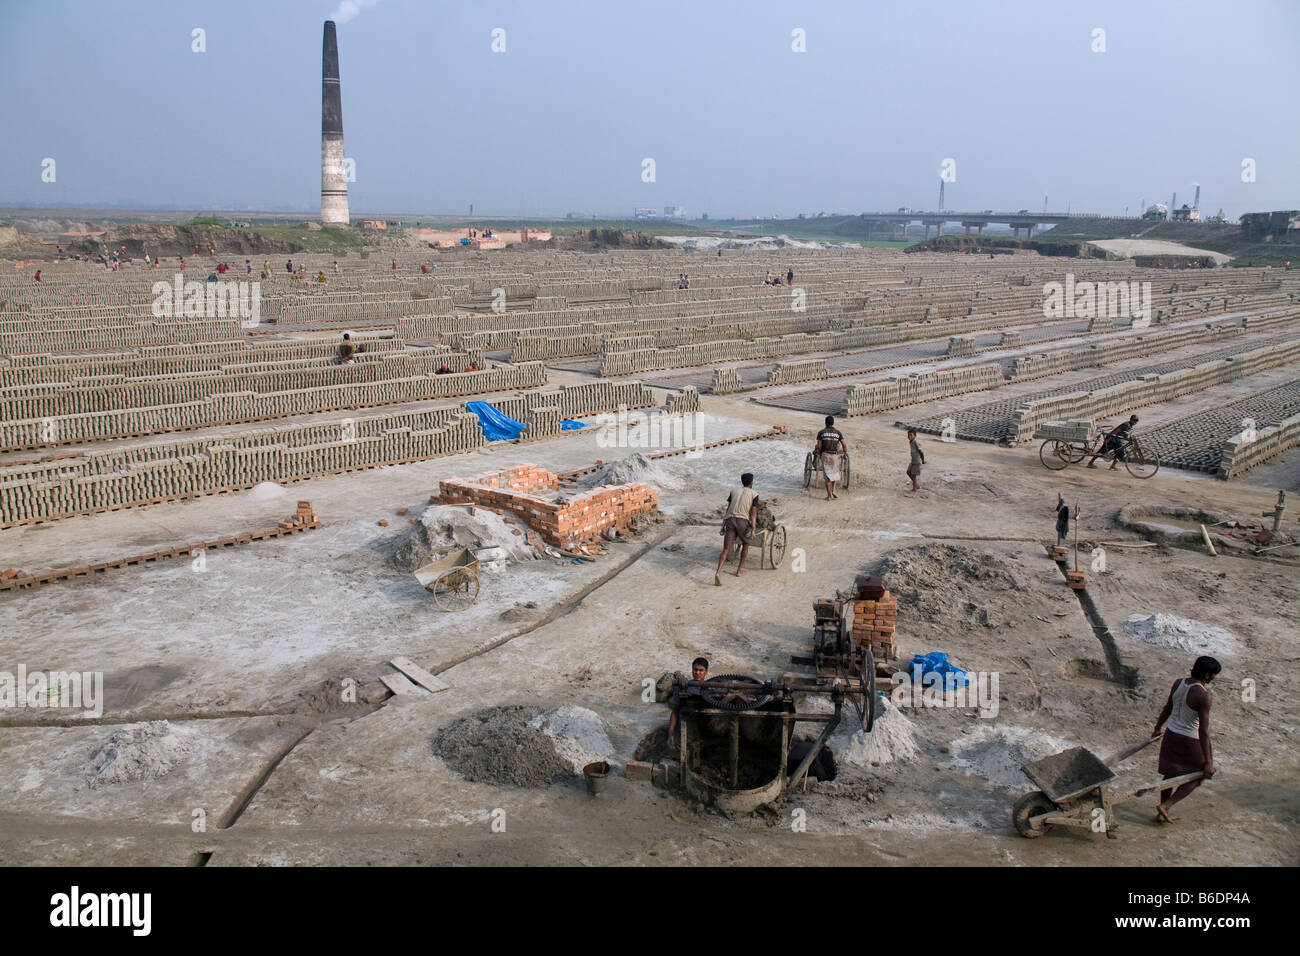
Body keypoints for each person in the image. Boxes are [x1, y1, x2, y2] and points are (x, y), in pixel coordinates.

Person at [1152, 656, 1220, 823]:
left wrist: (1157, 728)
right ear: (1206, 675)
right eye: (1214, 675)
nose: (1215, 678)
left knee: (1169, 774)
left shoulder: (1178, 683)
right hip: (1189, 740)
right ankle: (1166, 806)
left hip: (1171, 735)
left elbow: (1167, 708)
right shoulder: (1204, 696)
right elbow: (1203, 731)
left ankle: (1162, 812)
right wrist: (1209, 761)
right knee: (1199, 775)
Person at [715, 472, 759, 585]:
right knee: (746, 544)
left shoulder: (733, 491)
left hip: (730, 520)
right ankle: (739, 570)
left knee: (725, 549)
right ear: (751, 482)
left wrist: (723, 525)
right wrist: (753, 528)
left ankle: (718, 572)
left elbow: (728, 508)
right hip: (742, 521)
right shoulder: (754, 494)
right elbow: (753, 513)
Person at [667, 658, 709, 743]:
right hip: (684, 729)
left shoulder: (711, 689)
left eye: (701, 670)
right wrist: (670, 733)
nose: (697, 673)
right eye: (695, 670)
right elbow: (675, 711)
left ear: (706, 671)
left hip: (704, 730)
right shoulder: (683, 687)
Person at [815, 415, 846, 501]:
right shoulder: (838, 433)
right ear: (833, 423)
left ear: (825, 423)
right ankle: (834, 490)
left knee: (827, 477)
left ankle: (829, 496)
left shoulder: (821, 432)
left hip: (826, 455)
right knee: (834, 473)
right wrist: (845, 452)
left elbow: (819, 446)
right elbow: (844, 444)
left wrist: (819, 452)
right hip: (835, 455)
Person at [906, 429, 925, 494]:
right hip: (913, 461)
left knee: (913, 475)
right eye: (908, 435)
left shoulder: (915, 442)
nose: (909, 437)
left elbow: (921, 452)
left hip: (916, 462)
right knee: (908, 472)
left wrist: (923, 460)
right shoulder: (911, 442)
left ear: (915, 436)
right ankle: (916, 485)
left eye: (911, 435)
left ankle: (914, 489)